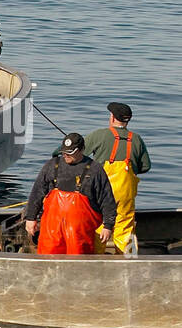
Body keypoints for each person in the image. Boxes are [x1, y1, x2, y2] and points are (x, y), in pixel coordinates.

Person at [23, 132, 117, 255]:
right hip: (51, 232)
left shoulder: (95, 170)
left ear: (82, 150)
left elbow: (107, 199)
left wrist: (108, 225)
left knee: (79, 263)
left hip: (80, 234)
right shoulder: (51, 165)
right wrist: (31, 218)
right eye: (64, 152)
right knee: (48, 261)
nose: (66, 155)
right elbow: (37, 192)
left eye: (70, 153)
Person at [86, 102, 151, 253]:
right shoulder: (137, 139)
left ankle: (94, 262)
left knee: (98, 228)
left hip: (101, 194)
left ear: (112, 117)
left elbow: (74, 155)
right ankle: (129, 263)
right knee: (126, 230)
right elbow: (146, 166)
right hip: (126, 193)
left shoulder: (99, 135)